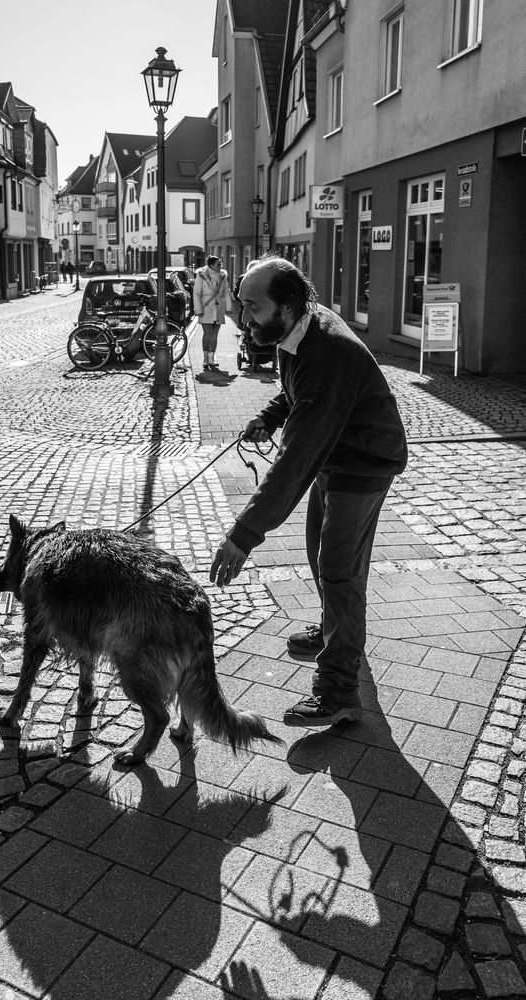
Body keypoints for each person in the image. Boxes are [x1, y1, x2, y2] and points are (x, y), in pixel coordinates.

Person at [209, 257, 408, 728]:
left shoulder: (328, 350)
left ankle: (339, 691)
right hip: (335, 453)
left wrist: (243, 535)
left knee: (341, 572)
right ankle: (330, 628)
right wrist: (272, 415)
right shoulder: (289, 331)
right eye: (241, 305)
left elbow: (294, 462)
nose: (243, 318)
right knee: (320, 552)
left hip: (362, 463)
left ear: (290, 303)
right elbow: (296, 392)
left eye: (252, 307)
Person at [193, 255, 232, 370]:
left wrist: (229, 307)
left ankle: (211, 358)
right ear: (211, 265)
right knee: (207, 334)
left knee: (215, 335)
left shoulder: (223, 277)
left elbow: (226, 292)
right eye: (218, 264)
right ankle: (205, 358)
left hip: (218, 307)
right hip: (206, 308)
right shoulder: (202, 276)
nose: (221, 266)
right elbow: (196, 293)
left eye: (221, 264)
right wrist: (198, 309)